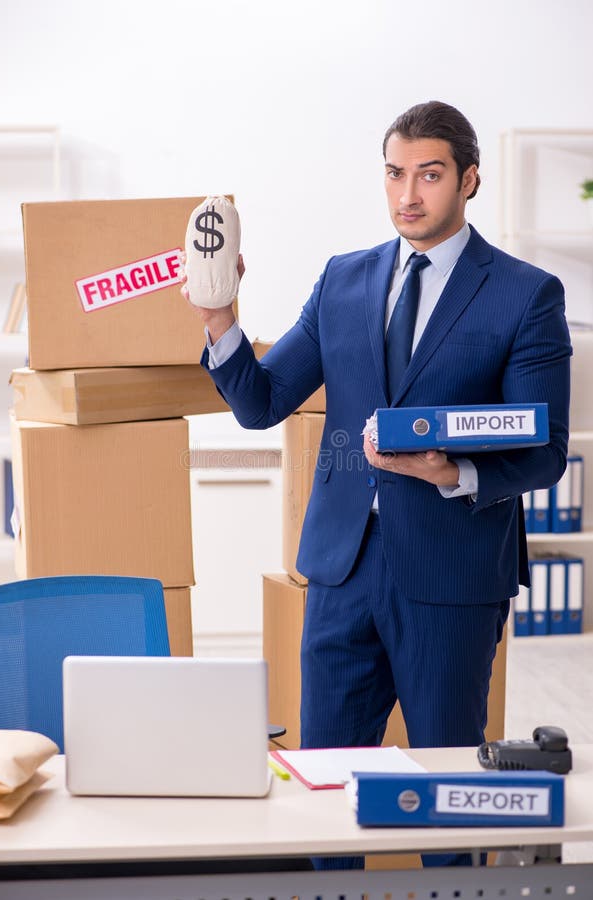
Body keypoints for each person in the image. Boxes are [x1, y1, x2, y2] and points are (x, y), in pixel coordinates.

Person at [180, 100, 571, 868]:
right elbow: (262, 404)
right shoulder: (343, 280)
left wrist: (452, 468)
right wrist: (219, 316)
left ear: (468, 181)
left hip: (450, 577)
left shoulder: (524, 294)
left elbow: (545, 450)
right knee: (322, 791)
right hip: (340, 572)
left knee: (445, 792)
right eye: (395, 174)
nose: (408, 195)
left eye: (428, 175)